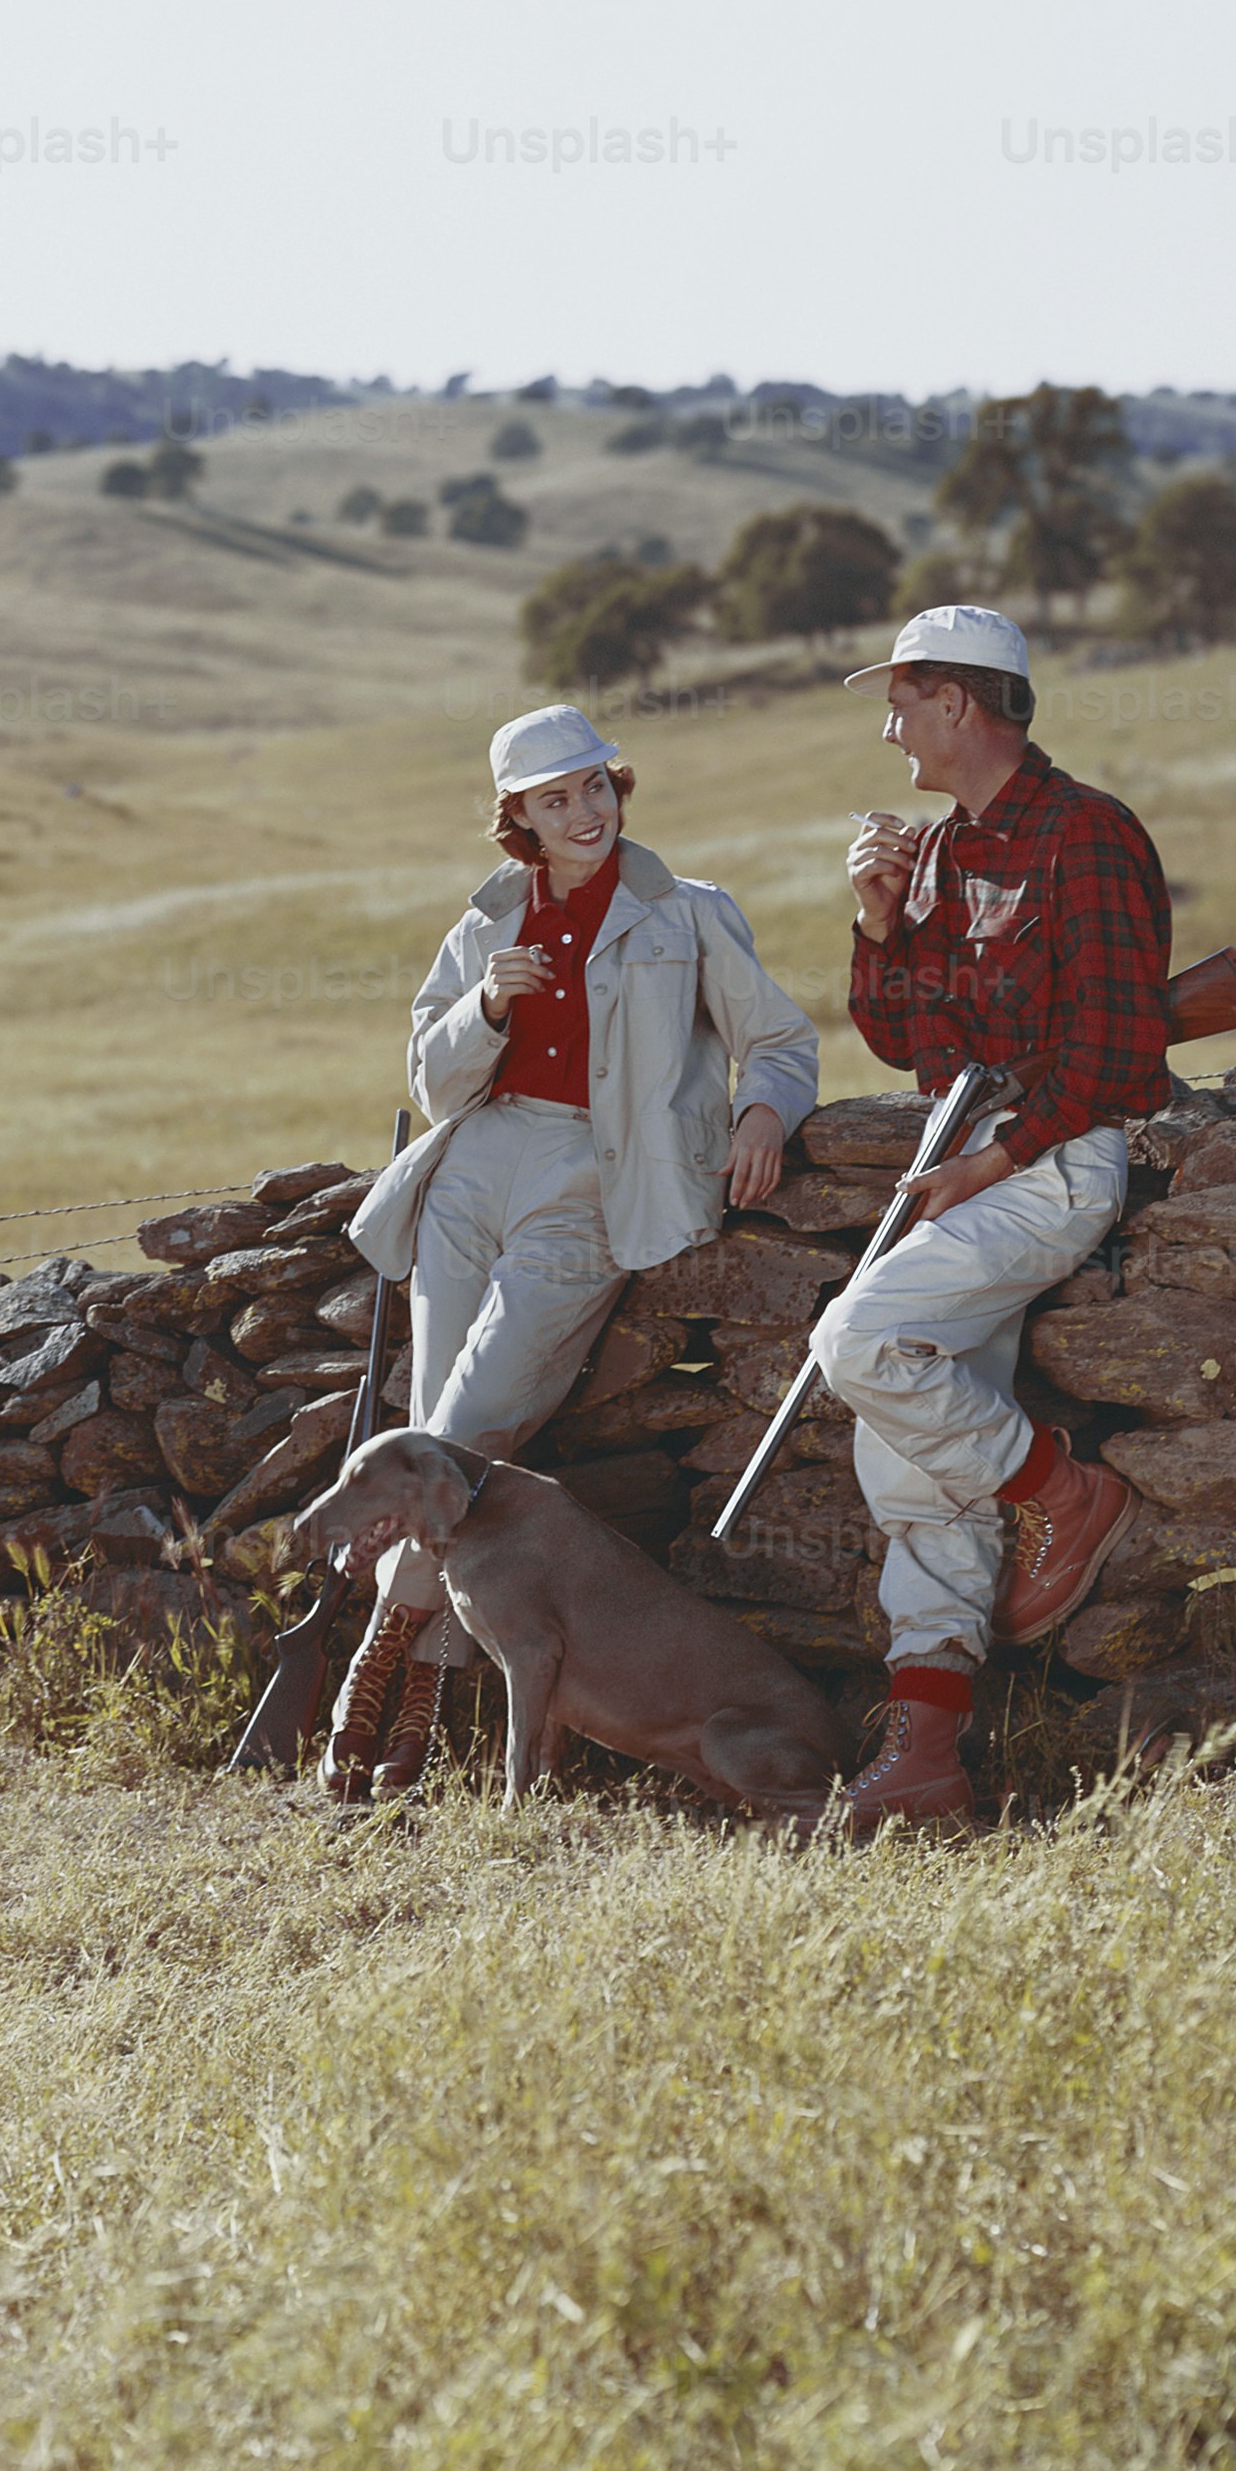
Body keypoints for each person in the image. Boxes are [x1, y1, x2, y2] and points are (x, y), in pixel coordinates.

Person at [321, 702, 821, 1798]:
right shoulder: (485, 919)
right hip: (471, 1170)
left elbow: (780, 1041)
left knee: (456, 1435)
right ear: (519, 818)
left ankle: (378, 1672)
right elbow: (429, 1079)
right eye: (556, 799)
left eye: (596, 786)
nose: (585, 812)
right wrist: (484, 1010)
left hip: (595, 1182)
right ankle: (419, 1706)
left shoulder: (685, 914)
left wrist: (765, 1115)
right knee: (436, 1441)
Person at [813, 603, 1171, 1832]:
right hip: (966, 1151)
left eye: (903, 699)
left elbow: (1119, 1047)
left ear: (958, 704)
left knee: (858, 1347)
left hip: (1055, 1160)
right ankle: (926, 1757)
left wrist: (994, 1160)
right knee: (905, 1459)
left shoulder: (1088, 835)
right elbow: (910, 1038)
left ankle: (1064, 1497)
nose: (889, 724)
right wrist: (876, 922)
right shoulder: (944, 852)